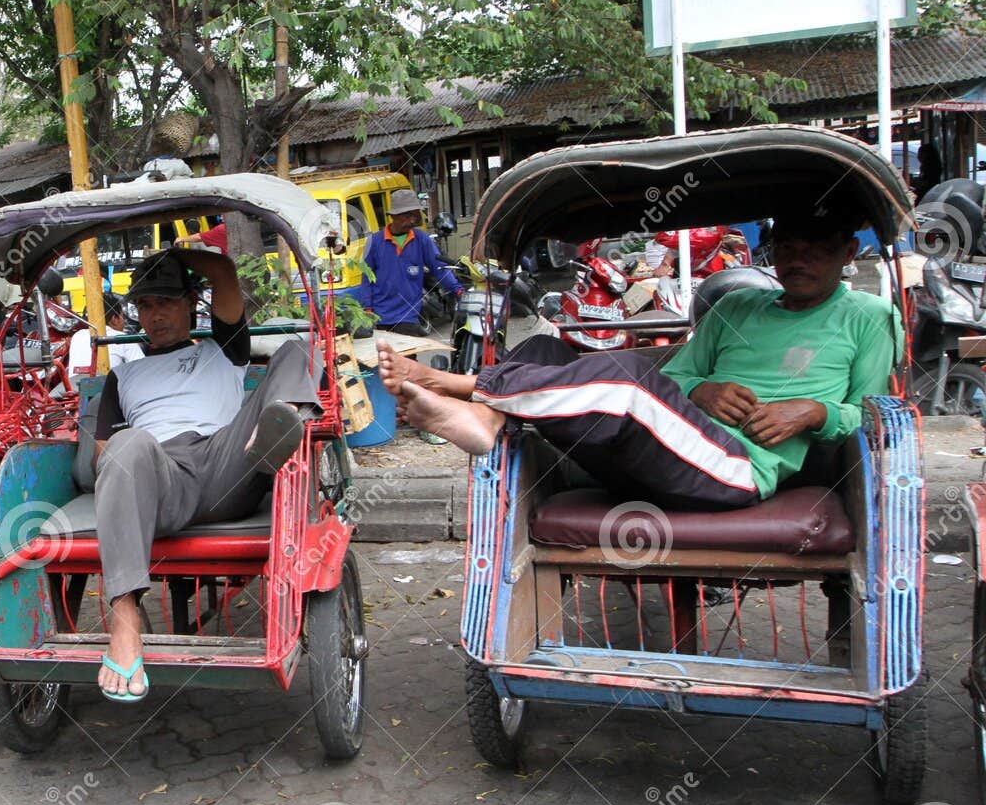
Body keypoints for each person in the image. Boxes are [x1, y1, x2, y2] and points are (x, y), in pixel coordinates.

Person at [378, 215, 902, 510]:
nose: (798, 258)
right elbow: (675, 376)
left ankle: (456, 385)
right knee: (543, 347)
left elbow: (875, 415)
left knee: (627, 382)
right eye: (789, 244)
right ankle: (485, 416)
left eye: (816, 246)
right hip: (665, 446)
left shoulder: (869, 316)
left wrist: (812, 412)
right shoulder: (738, 305)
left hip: (736, 467)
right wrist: (701, 391)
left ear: (849, 249)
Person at [92, 249, 320, 700]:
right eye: (145, 305)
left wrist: (172, 245)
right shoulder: (124, 376)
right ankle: (125, 621)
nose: (153, 315)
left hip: (229, 460)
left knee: (298, 349)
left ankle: (278, 428)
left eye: (165, 302)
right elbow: (104, 457)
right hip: (160, 478)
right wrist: (126, 468)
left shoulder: (224, 348)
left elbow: (223, 272)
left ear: (191, 301)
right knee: (127, 443)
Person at [358, 189, 463, 334]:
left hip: (408, 315)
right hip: (380, 316)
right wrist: (367, 309)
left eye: (414, 216)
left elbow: (439, 267)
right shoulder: (374, 242)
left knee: (407, 357)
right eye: (407, 216)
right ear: (393, 216)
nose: (412, 221)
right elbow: (366, 278)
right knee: (384, 356)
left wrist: (457, 289)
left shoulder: (421, 239)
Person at [68, 292, 144, 373]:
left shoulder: (77, 336)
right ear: (114, 319)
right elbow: (142, 370)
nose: (124, 322)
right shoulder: (122, 338)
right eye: (122, 316)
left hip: (73, 384)